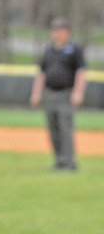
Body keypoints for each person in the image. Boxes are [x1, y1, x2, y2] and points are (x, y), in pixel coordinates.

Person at [29, 16, 87, 170]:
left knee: (65, 128)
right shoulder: (49, 50)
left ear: (67, 32)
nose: (56, 33)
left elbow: (81, 72)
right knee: (53, 128)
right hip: (49, 93)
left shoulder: (74, 50)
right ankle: (59, 160)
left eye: (60, 30)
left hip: (66, 93)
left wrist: (78, 92)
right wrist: (36, 93)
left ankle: (69, 161)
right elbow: (41, 73)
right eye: (54, 30)